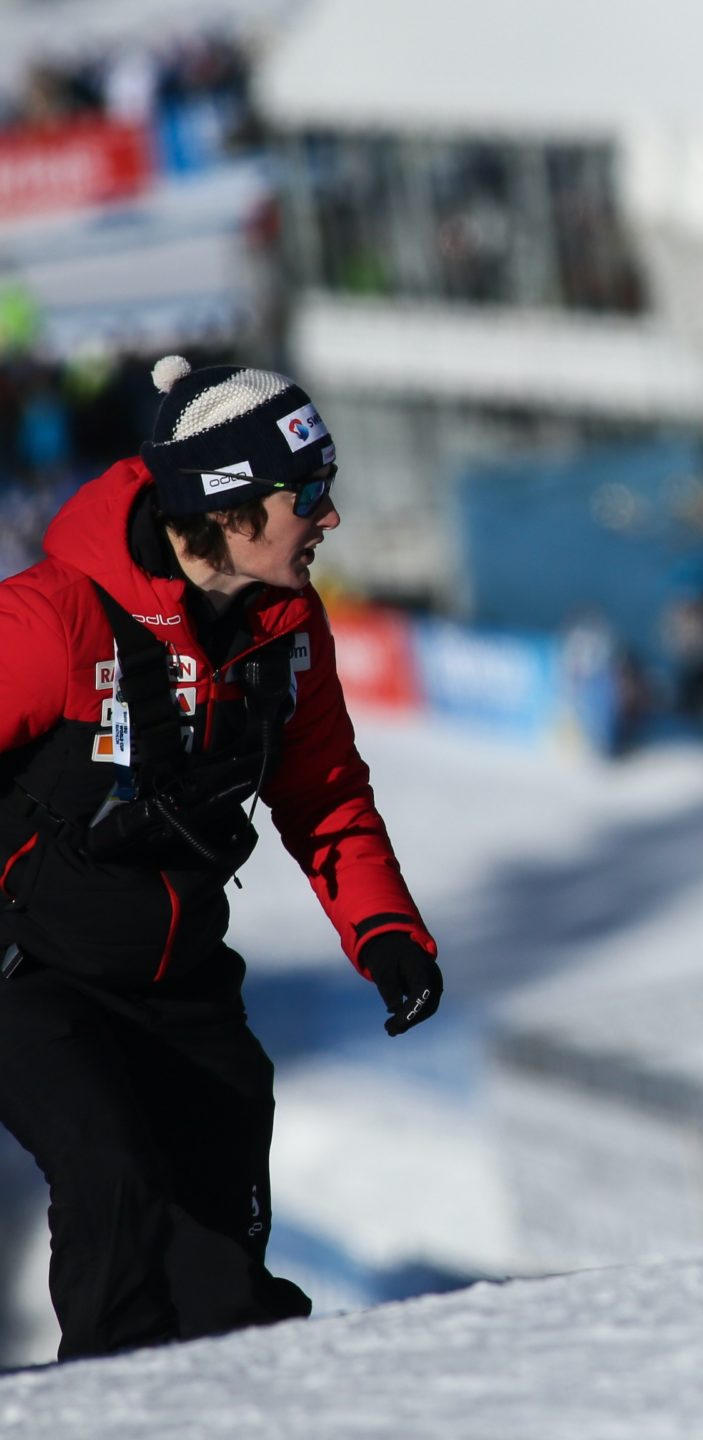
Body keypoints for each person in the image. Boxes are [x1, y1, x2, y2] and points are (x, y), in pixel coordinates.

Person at [0, 355, 444, 1361]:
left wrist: (385, 934)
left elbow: (323, 789)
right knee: (112, 1174)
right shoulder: (52, 622)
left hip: (179, 975)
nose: (328, 518)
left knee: (226, 1277)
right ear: (231, 509)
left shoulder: (285, 632)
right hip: (31, 969)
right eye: (310, 496)